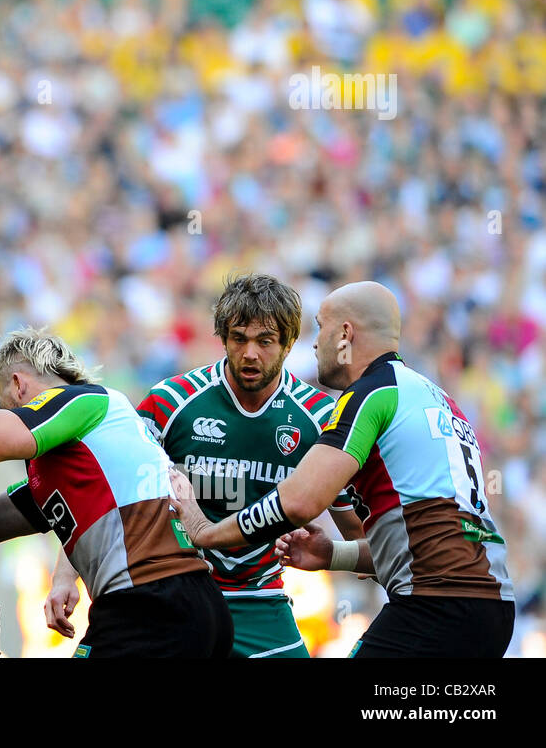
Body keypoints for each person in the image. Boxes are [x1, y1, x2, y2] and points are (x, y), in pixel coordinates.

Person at [174, 281, 515, 658]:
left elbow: (300, 503)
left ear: (345, 335)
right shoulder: (439, 399)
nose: (316, 344)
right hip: (493, 606)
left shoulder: (370, 394)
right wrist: (333, 554)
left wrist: (205, 531)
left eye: (321, 328)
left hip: (436, 603)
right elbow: (420, 544)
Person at [44, 274, 364, 657]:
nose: (250, 353)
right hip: (174, 592)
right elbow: (107, 496)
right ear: (222, 337)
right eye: (238, 338)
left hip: (260, 601)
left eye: (265, 342)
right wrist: (65, 576)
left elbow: (362, 530)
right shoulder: (170, 402)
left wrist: (337, 554)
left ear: (288, 343)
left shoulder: (320, 417)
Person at [0, 327, 232, 658]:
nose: (2, 411)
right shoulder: (73, 457)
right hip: (176, 603)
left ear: (18, 384)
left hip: (154, 602)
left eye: (0, 400)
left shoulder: (83, 401)